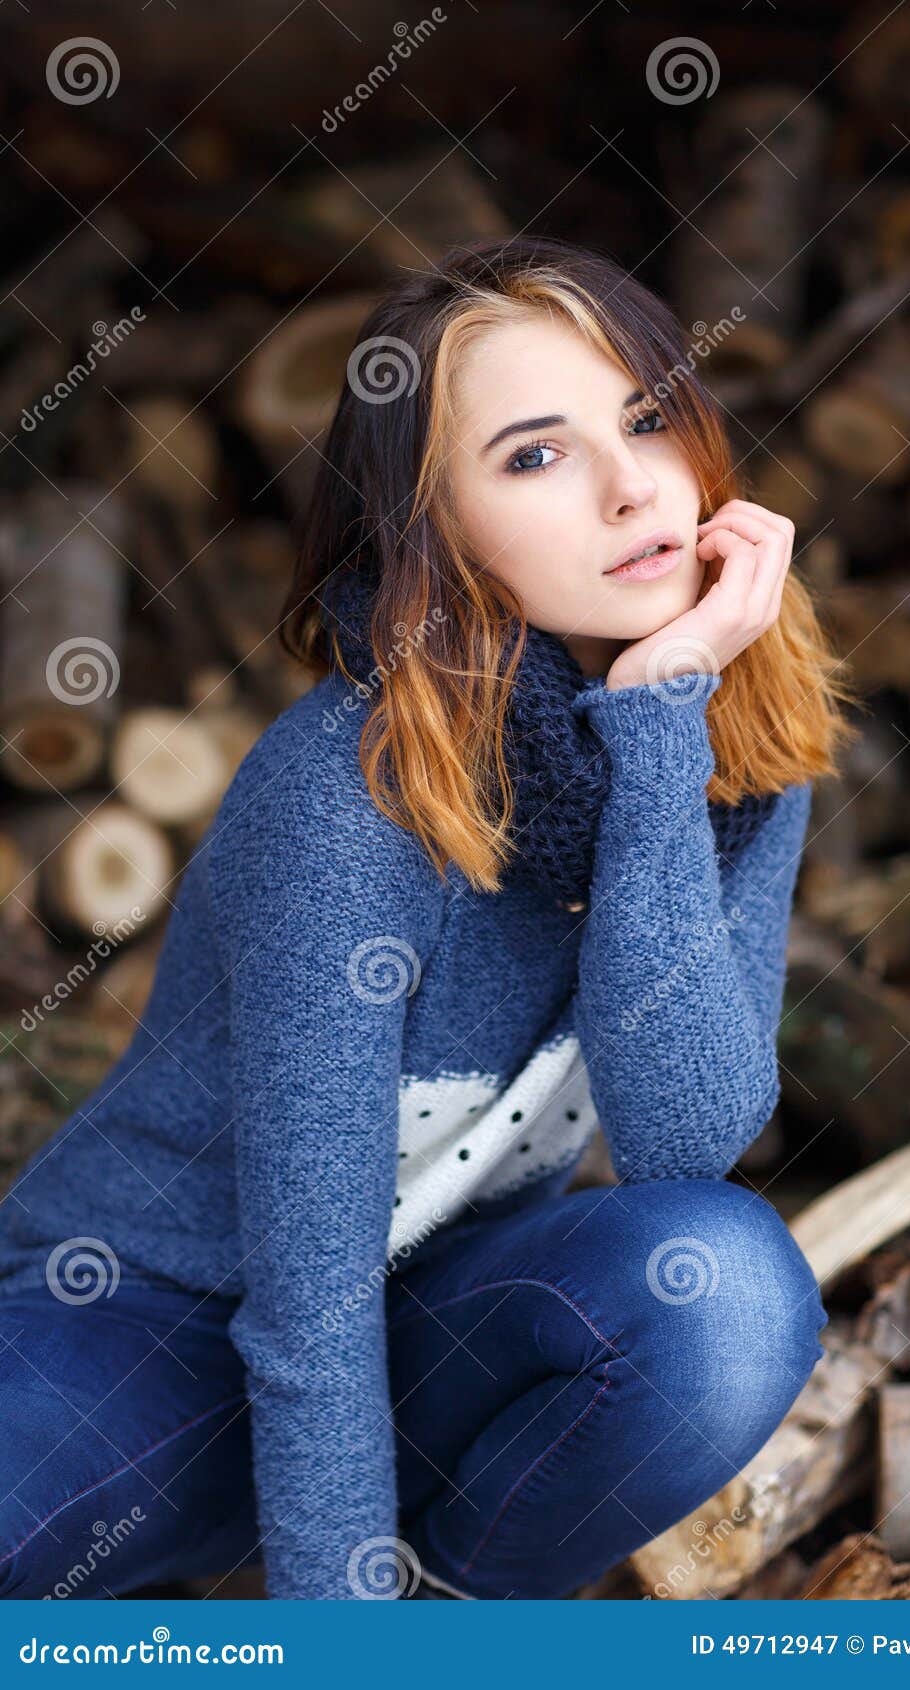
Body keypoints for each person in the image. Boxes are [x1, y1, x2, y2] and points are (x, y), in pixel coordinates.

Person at [0, 236, 857, 1601]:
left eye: (644, 415)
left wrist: (654, 734)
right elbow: (303, 1302)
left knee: (728, 1294)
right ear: (435, 532)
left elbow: (688, 1135)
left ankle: (451, 1611)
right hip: (149, 1327)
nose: (631, 484)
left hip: (430, 1329)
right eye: (535, 455)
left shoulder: (725, 746)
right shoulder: (352, 790)